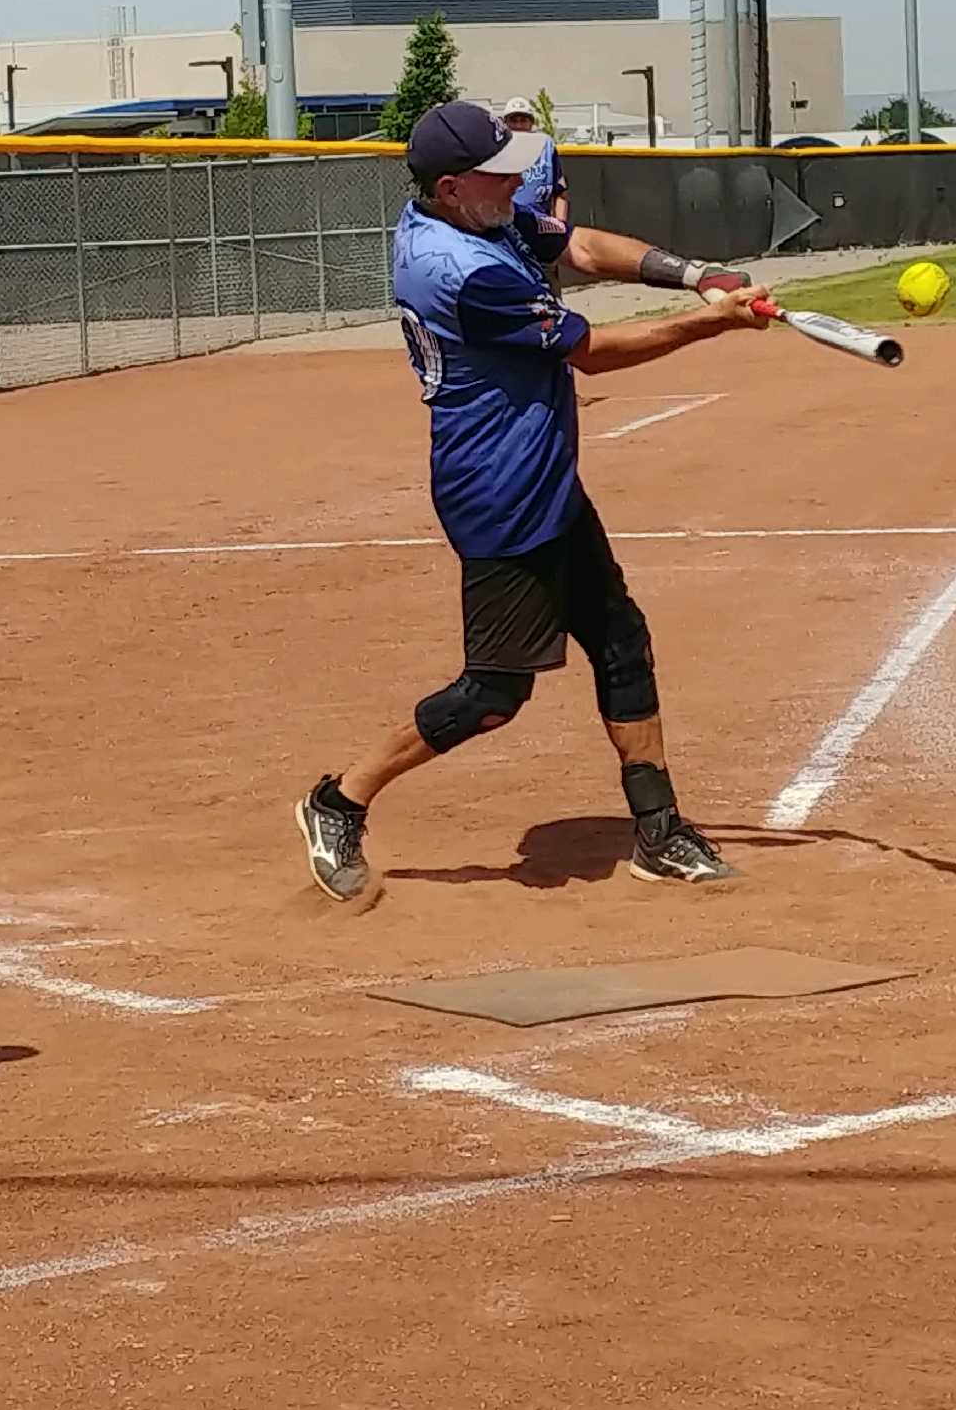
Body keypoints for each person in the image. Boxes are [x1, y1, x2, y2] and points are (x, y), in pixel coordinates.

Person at [293, 101, 767, 900]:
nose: (518, 182)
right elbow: (592, 353)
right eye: (498, 171)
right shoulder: (462, 272)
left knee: (621, 641)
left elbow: (579, 244)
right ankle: (338, 800)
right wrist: (709, 324)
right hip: (498, 492)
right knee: (493, 694)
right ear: (450, 188)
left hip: (546, 480)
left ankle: (659, 831)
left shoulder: (489, 220)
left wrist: (694, 274)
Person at [500, 96, 568, 224]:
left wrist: (561, 226)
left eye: (523, 120)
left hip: (541, 225)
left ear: (531, 124)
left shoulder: (546, 147)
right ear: (505, 124)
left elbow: (560, 193)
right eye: (513, 120)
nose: (518, 125)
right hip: (507, 226)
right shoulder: (497, 150)